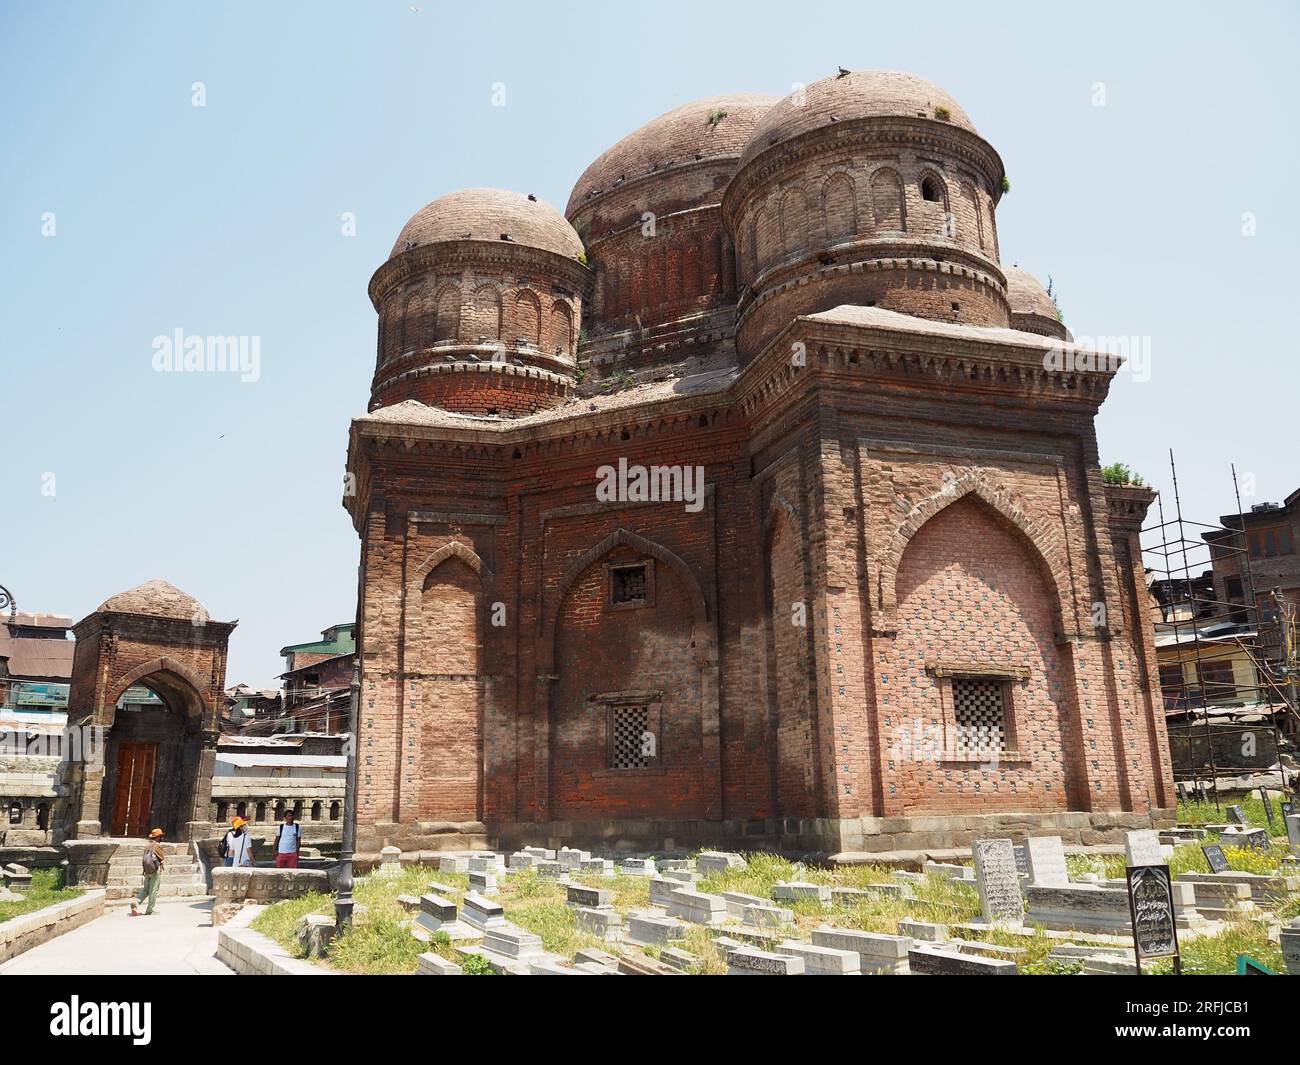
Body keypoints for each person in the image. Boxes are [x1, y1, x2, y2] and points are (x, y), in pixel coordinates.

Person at [130, 828, 165, 917]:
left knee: (145, 889)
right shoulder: (157, 846)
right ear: (158, 837)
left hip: (147, 870)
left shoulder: (147, 846)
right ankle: (150, 910)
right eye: (161, 836)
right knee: (153, 890)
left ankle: (135, 902)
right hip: (154, 871)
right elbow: (161, 858)